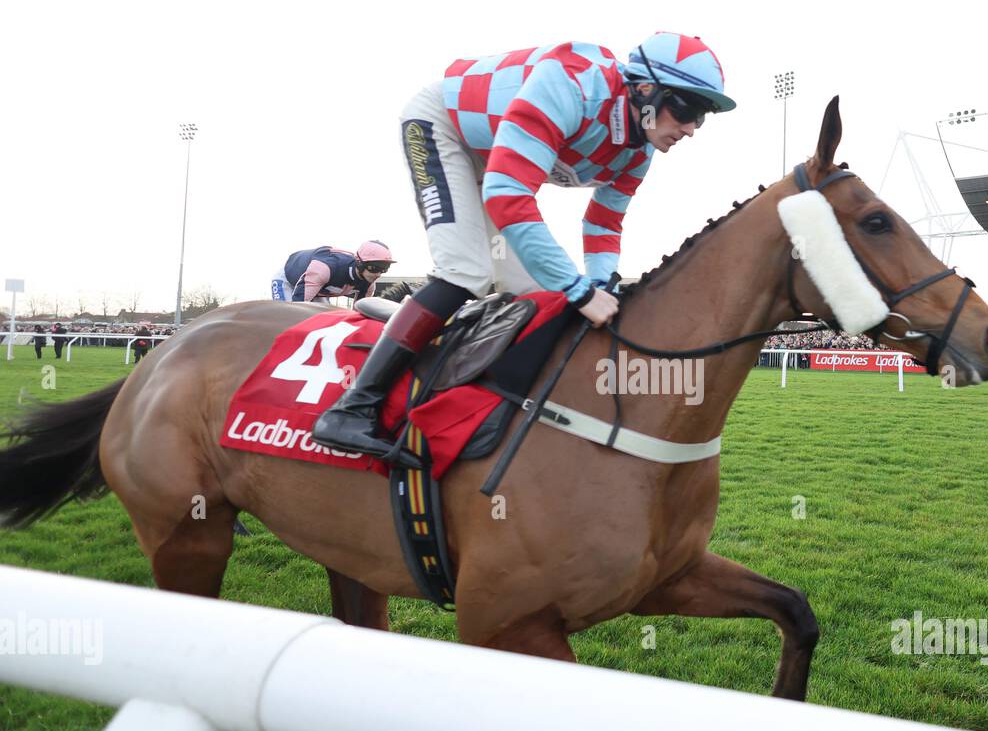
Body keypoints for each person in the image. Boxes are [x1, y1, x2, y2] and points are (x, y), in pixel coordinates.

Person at [312, 32, 734, 461]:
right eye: (687, 108)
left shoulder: (637, 150)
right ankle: (352, 408)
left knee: (539, 297)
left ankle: (482, 407)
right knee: (467, 271)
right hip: (443, 128)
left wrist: (600, 284)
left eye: (703, 116)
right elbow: (508, 196)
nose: (691, 128)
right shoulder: (573, 85)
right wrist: (580, 290)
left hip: (494, 163)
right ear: (644, 89)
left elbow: (603, 223)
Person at [272, 241, 396, 303]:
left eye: (384, 269)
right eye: (374, 268)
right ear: (359, 262)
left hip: (315, 288)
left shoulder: (369, 285)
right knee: (289, 321)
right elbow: (297, 308)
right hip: (288, 280)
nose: (378, 274)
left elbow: (359, 318)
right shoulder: (325, 269)